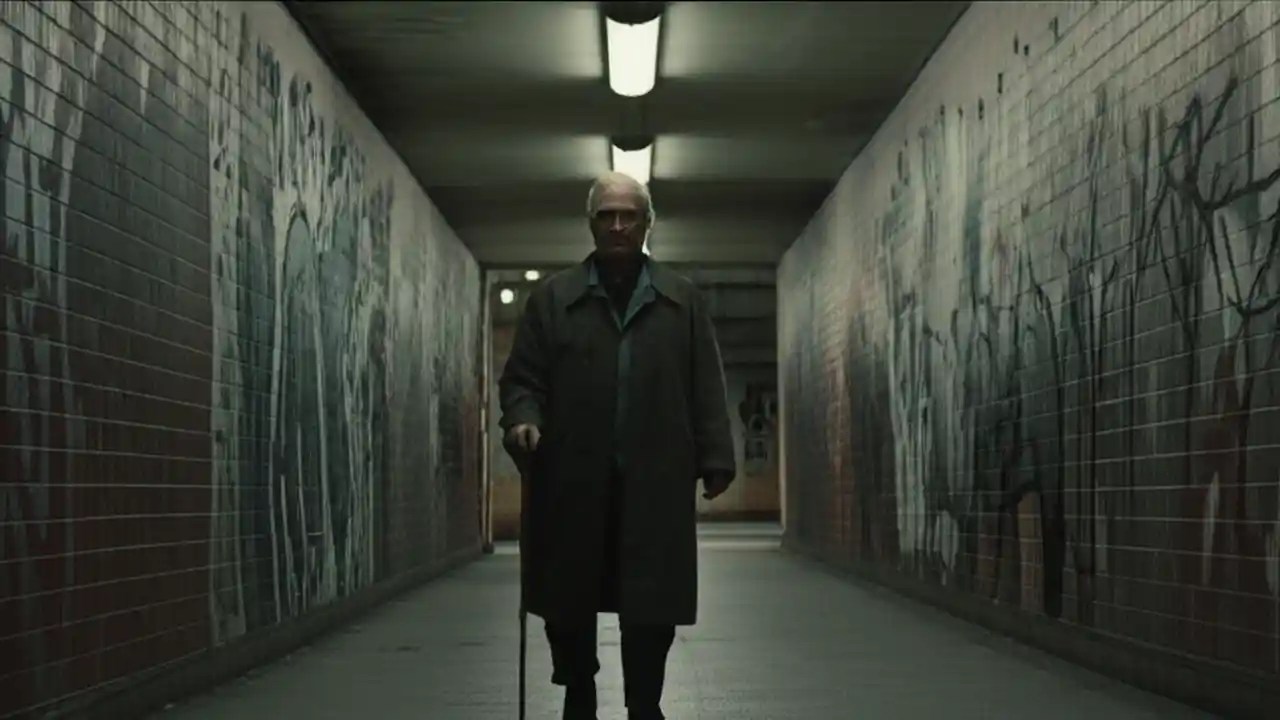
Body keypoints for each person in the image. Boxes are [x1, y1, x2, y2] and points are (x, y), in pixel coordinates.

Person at [499, 170, 736, 720]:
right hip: (572, 479)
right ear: (591, 224)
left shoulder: (682, 301)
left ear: (648, 222)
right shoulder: (554, 300)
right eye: (606, 215)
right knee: (568, 596)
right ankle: (578, 686)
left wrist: (716, 455)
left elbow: (705, 382)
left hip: (656, 478)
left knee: (652, 602)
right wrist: (523, 420)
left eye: (629, 214)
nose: (618, 224)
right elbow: (523, 380)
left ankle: (643, 703)